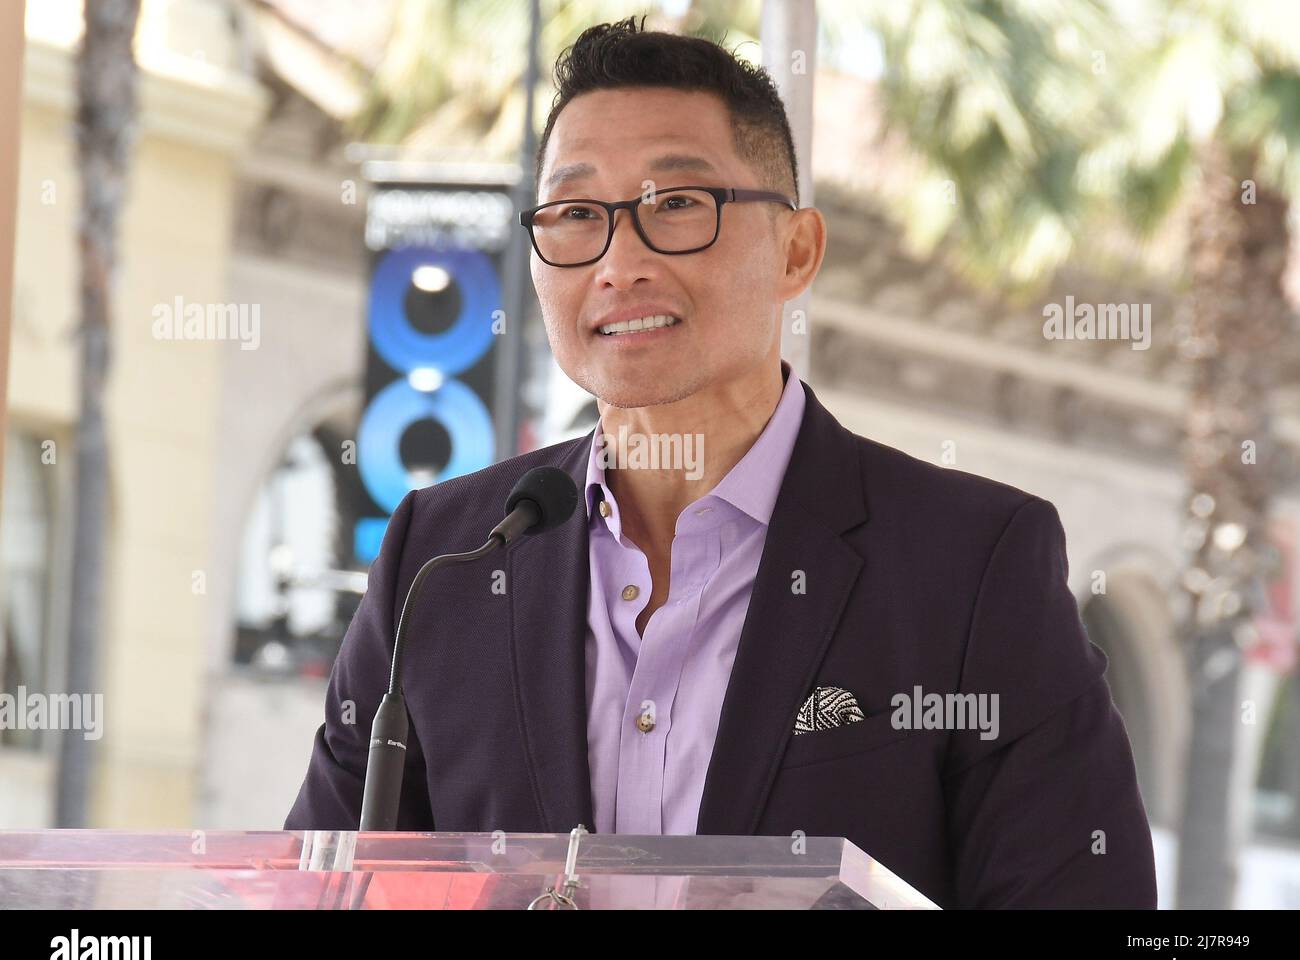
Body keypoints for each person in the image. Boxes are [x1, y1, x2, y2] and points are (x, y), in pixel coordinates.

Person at [286, 16, 1157, 909]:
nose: (621, 263)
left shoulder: (971, 566)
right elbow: (310, 889)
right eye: (578, 214)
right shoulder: (441, 562)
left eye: (676, 205)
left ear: (796, 250)